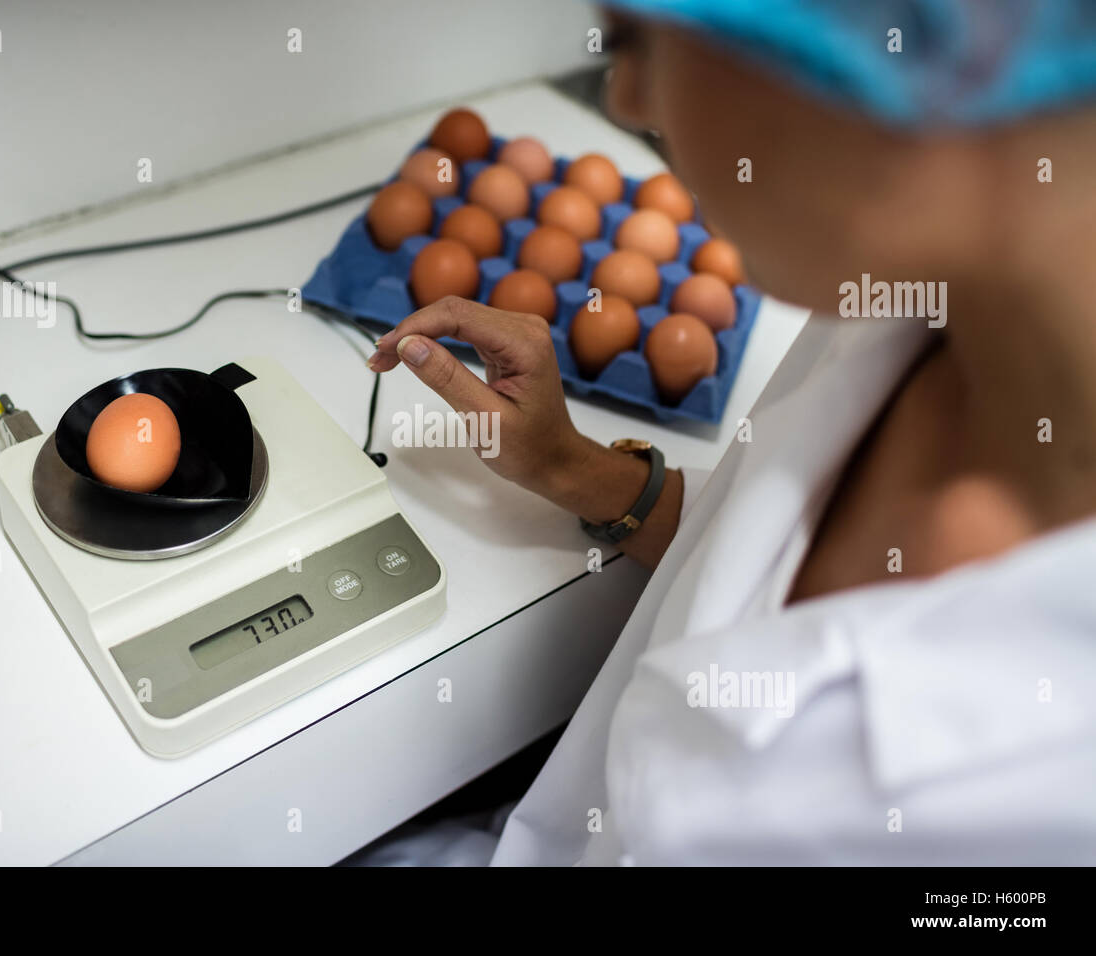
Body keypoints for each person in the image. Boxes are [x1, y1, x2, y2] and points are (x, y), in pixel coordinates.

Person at [357, 0, 1096, 865]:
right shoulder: (905, 301)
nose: (628, 99)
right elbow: (765, 551)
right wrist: (578, 470)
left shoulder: (1036, 813)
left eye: (635, 35)